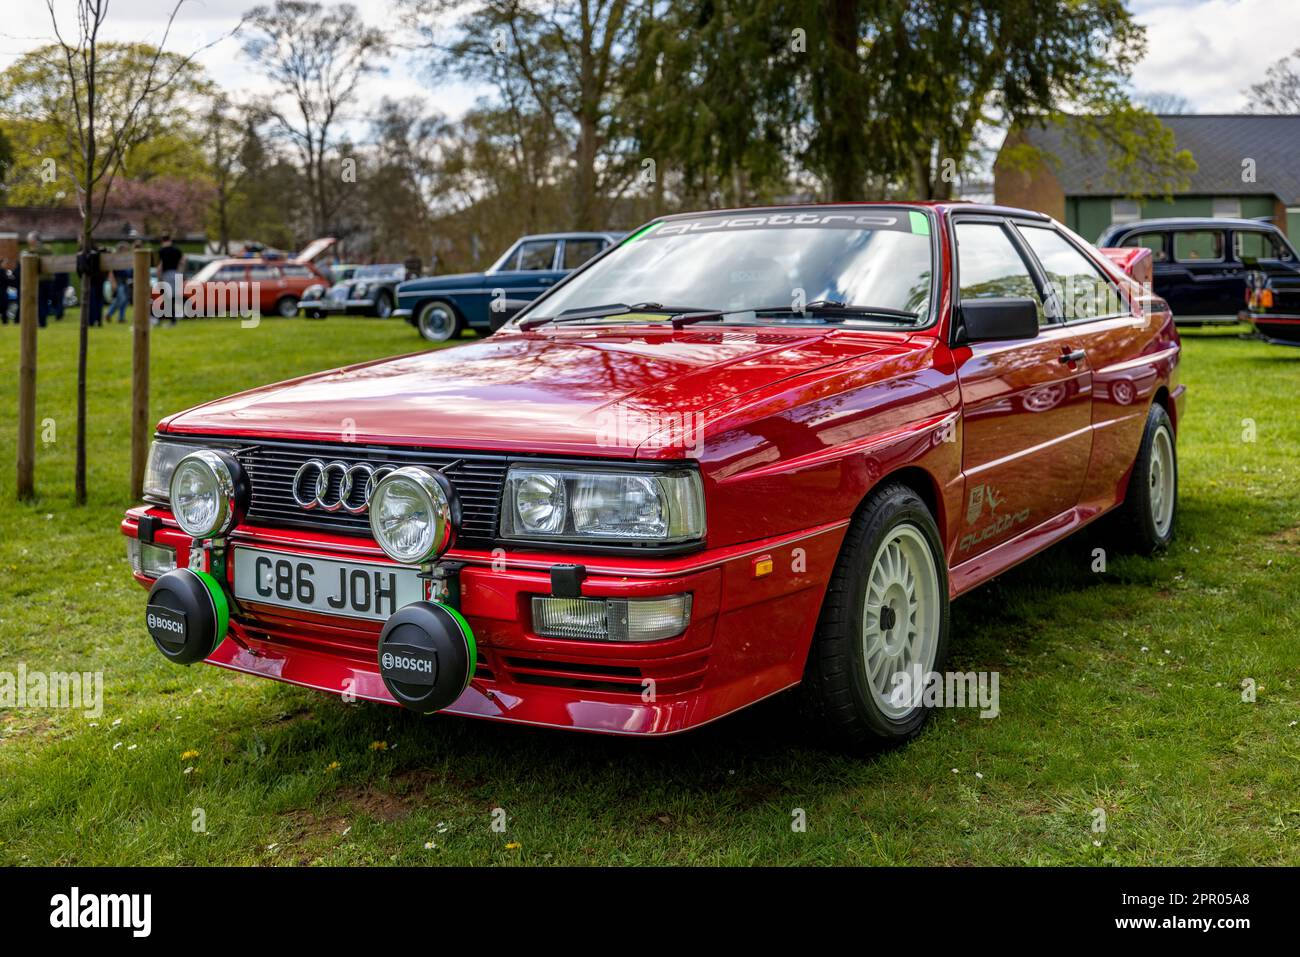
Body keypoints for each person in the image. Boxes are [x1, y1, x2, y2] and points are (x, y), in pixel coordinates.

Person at [157, 234, 184, 326]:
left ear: (162, 241)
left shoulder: (161, 251)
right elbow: (182, 262)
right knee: (175, 297)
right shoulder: (177, 250)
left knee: (167, 297)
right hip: (176, 273)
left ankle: (171, 319)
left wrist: (159, 278)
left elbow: (160, 266)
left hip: (167, 274)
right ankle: (174, 316)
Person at [107, 242, 132, 324]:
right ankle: (109, 314)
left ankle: (121, 318)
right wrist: (113, 282)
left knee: (124, 301)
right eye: (125, 250)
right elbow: (111, 272)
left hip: (125, 282)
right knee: (121, 299)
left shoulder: (126, 260)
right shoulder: (116, 260)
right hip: (118, 282)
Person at [0, 258, 13, 325]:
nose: (6, 264)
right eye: (5, 263)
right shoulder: (2, 271)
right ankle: (5, 321)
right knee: (4, 307)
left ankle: (5, 321)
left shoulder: (4, 271)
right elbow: (7, 281)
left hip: (3, 291)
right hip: (2, 291)